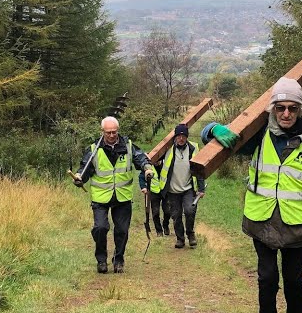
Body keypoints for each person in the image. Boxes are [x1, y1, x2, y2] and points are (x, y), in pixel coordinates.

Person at [202, 78, 302, 313]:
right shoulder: (259, 136)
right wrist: (211, 129)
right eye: (280, 108)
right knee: (266, 278)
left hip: (297, 224)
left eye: (292, 108)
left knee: (293, 279)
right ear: (272, 109)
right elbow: (218, 142)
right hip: (261, 220)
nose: (286, 114)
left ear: (300, 109)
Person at [73, 116, 155, 274]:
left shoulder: (128, 146)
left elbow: (141, 158)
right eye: (108, 132)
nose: (112, 135)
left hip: (122, 196)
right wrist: (79, 178)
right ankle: (101, 259)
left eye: (114, 132)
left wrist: (147, 168)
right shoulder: (93, 150)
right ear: (102, 132)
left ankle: (118, 259)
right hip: (101, 197)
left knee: (122, 230)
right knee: (100, 228)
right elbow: (84, 169)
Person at [151, 124, 206, 249]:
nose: (181, 138)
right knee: (175, 215)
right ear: (175, 137)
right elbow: (155, 159)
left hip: (188, 189)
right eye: (179, 136)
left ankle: (190, 234)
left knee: (189, 211)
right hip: (172, 190)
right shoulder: (168, 149)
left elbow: (199, 169)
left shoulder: (193, 148)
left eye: (183, 136)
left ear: (187, 137)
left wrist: (201, 189)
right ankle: (180, 239)